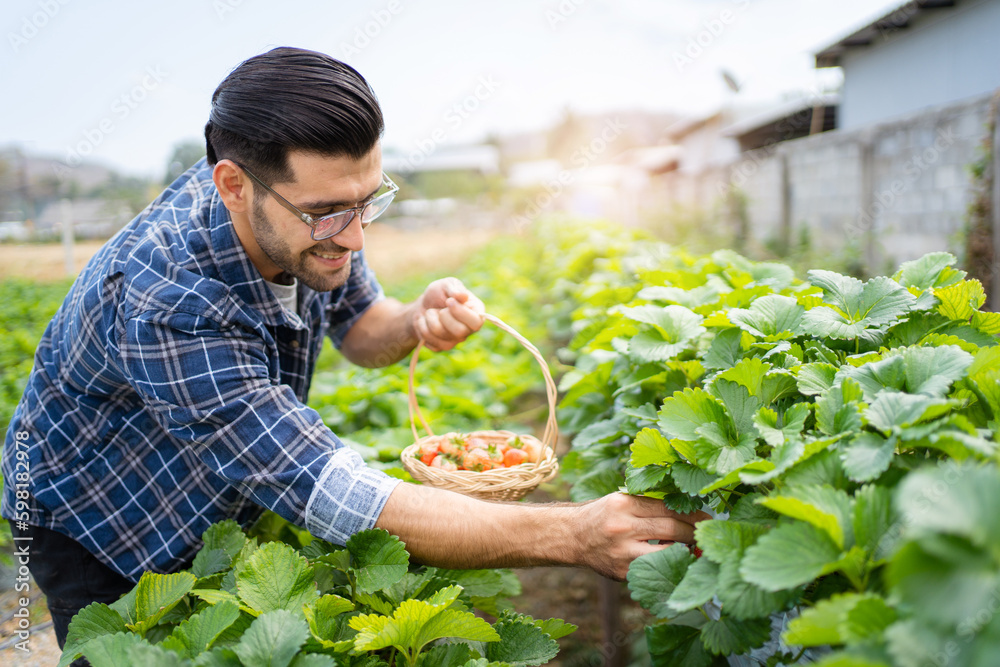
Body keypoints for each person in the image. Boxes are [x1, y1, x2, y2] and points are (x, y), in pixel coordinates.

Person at [1, 46, 706, 652]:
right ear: (233, 186)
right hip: (90, 505)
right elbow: (333, 492)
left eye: (369, 200)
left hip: (208, 468)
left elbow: (364, 327)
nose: (356, 236)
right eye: (330, 213)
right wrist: (572, 534)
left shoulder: (308, 208)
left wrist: (415, 320)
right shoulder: (168, 298)